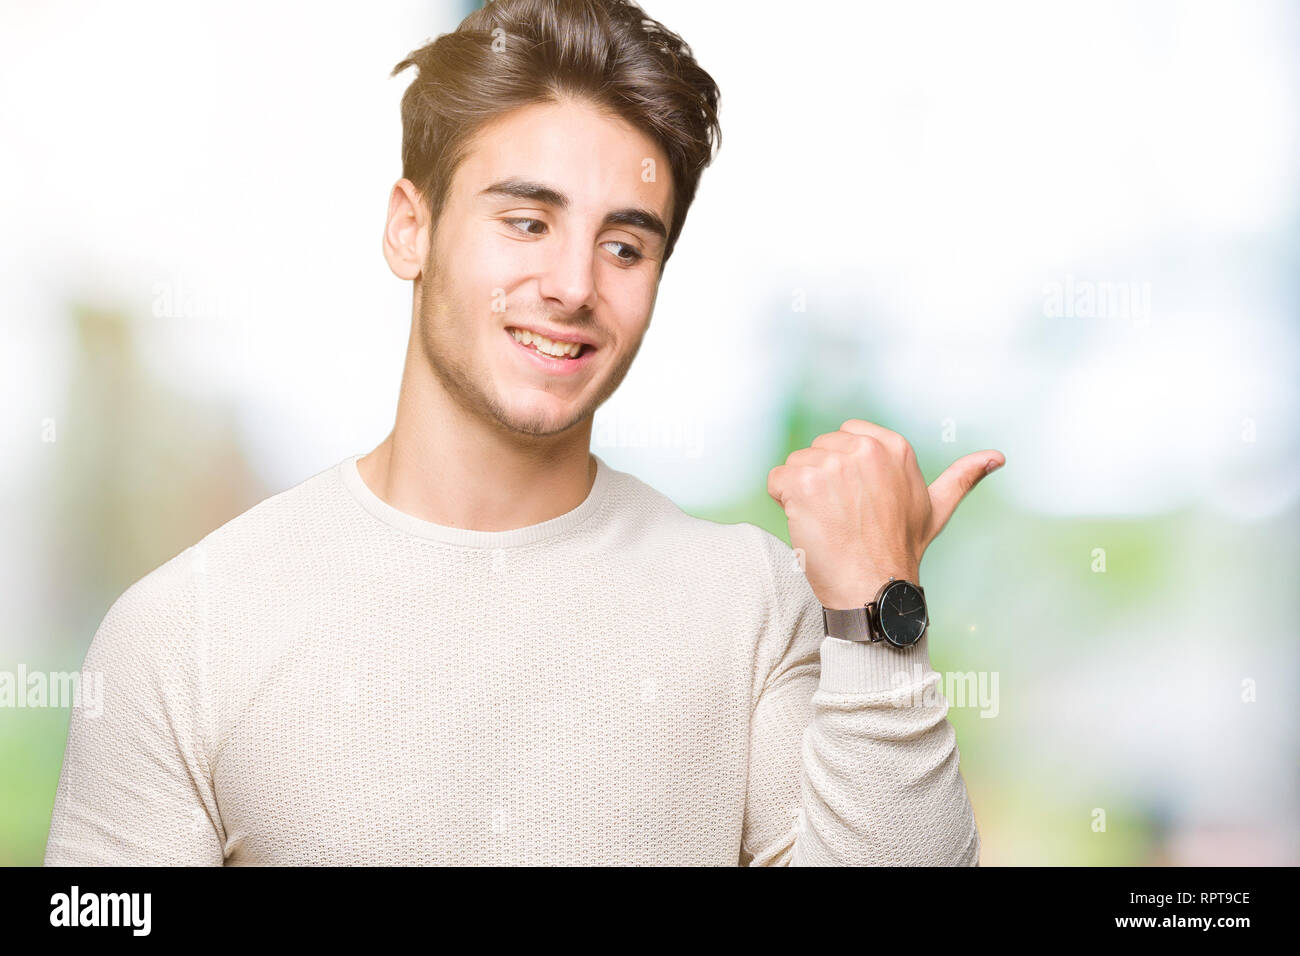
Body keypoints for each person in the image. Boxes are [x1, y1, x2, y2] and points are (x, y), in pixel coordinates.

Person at [44, 0, 1001, 866]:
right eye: (527, 221)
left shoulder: (750, 606)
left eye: (624, 245)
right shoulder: (186, 634)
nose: (576, 286)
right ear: (409, 230)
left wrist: (881, 614)